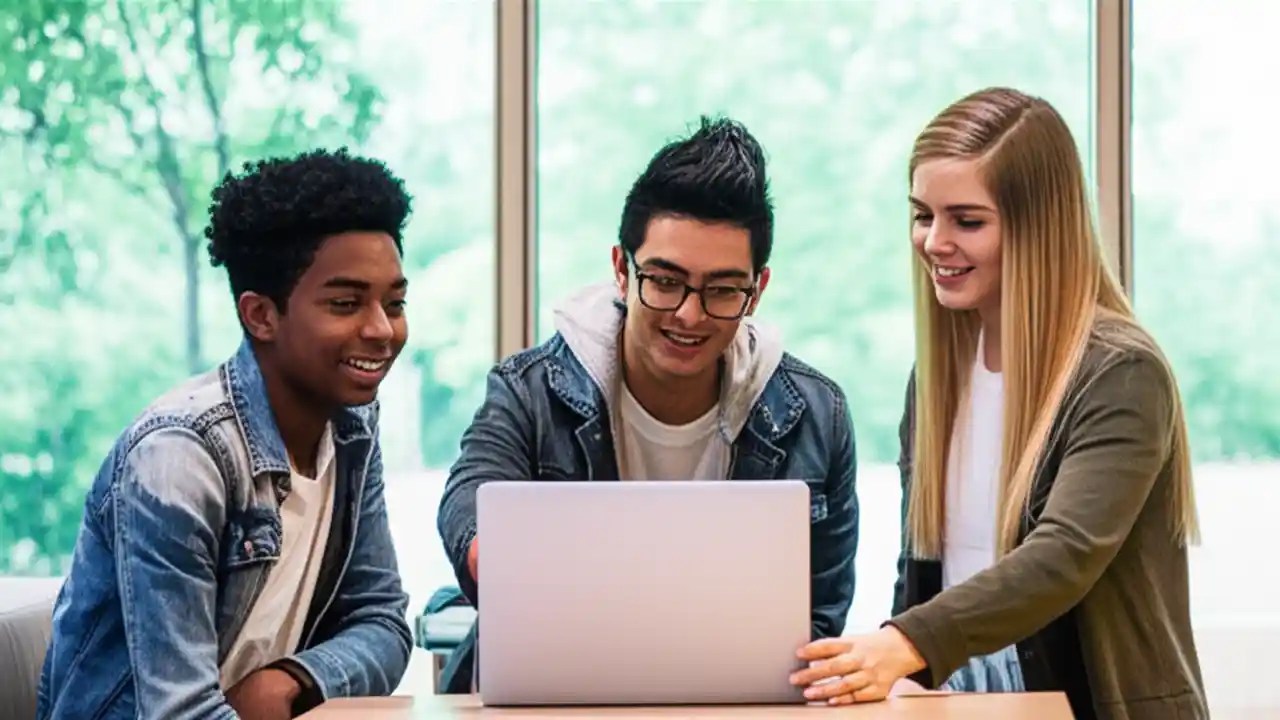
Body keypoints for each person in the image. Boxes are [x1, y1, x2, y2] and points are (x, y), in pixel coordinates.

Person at [790, 87, 1207, 720]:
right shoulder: (937, 375)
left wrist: (904, 643)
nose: (933, 241)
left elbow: (1060, 558)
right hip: (966, 699)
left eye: (967, 220)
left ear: (1039, 225)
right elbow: (926, 569)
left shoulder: (1120, 373)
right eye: (922, 214)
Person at [436, 116, 859, 692]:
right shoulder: (531, 390)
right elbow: (471, 491)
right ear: (620, 268)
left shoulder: (814, 413)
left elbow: (820, 618)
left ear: (757, 290)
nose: (689, 314)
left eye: (722, 290)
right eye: (664, 281)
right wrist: (494, 555)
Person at [38, 148, 416, 720]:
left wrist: (290, 680)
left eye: (395, 302)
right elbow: (178, 712)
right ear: (260, 315)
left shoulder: (351, 428)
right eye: (345, 304)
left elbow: (382, 620)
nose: (382, 330)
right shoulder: (180, 458)